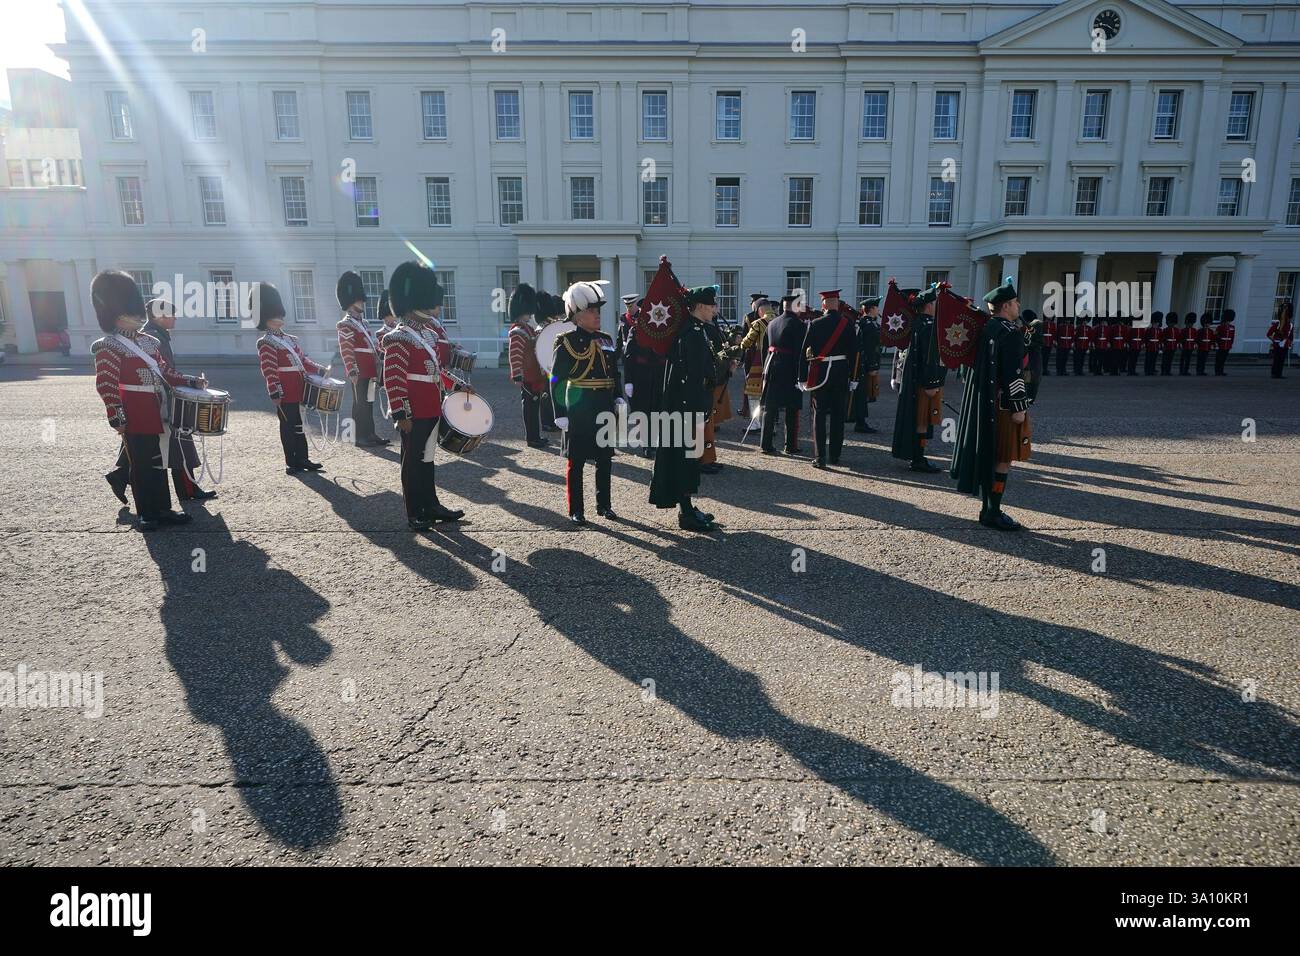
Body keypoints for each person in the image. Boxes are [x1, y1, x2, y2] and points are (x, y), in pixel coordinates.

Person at [90, 270, 202, 531]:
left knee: (160, 461)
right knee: (141, 465)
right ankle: (146, 513)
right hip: (134, 410)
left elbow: (165, 373)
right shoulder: (108, 346)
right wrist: (116, 415)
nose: (138, 318)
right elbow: (106, 384)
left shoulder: (149, 342)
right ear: (116, 317)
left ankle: (163, 508)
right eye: (132, 313)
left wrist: (191, 381)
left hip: (158, 409)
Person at [105, 296, 217, 504]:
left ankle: (122, 477)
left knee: (153, 451)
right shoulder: (148, 337)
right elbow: (161, 373)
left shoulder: (153, 337)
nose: (174, 318)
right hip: (157, 400)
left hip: (160, 398)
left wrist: (190, 381)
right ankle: (184, 490)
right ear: (160, 316)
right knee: (174, 446)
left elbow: (164, 369)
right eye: (171, 314)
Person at [383, 260, 464, 530]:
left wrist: (458, 386)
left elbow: (437, 371)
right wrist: (400, 413)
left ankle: (430, 504)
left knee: (427, 460)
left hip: (431, 407)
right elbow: (393, 379)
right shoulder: (399, 337)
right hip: (414, 410)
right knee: (412, 461)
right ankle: (414, 510)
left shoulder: (427, 335)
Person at [951, 278, 1031, 531]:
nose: (1019, 306)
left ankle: (988, 509)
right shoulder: (1010, 334)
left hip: (983, 402)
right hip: (1004, 406)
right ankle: (993, 511)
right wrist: (1019, 407)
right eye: (1016, 302)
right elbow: (1014, 373)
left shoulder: (986, 329)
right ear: (1006, 306)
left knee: (989, 456)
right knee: (1003, 459)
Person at [552, 280, 621, 524]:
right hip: (579, 406)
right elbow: (557, 379)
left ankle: (604, 505)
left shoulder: (607, 339)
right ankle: (576, 509)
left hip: (603, 404)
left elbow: (615, 372)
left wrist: (619, 395)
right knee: (577, 459)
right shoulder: (567, 342)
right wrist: (560, 412)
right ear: (578, 317)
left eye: (597, 311)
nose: (596, 315)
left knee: (604, 458)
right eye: (591, 311)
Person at [650, 285, 718, 532]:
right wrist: (697, 411)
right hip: (684, 408)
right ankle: (685, 512)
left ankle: (688, 507)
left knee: (689, 460)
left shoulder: (697, 330)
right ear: (699, 306)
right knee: (683, 459)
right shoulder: (689, 334)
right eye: (711, 305)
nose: (715, 309)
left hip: (690, 406)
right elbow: (690, 377)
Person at [254, 281, 326, 475]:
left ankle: (303, 458)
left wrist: (319, 370)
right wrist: (275, 390)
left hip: (298, 387)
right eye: (274, 315)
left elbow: (303, 361)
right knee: (287, 425)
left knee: (299, 424)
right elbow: (269, 369)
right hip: (285, 389)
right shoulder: (266, 342)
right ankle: (292, 462)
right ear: (266, 318)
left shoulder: (290, 339)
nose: (279, 318)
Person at [798, 289, 859, 468]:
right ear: (838, 304)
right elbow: (855, 353)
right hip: (841, 372)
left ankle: (820, 457)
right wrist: (854, 377)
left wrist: (802, 378)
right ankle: (835, 455)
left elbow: (803, 352)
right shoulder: (847, 324)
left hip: (821, 371)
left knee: (819, 415)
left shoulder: (815, 324)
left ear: (823, 304)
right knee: (838, 415)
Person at [890, 283, 946, 473]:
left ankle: (916, 455)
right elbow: (929, 359)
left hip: (912, 380)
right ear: (929, 305)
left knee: (917, 419)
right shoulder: (928, 327)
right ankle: (918, 458)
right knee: (922, 421)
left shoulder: (916, 323)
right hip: (923, 382)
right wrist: (932, 383)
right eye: (935, 302)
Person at [335, 271, 388, 447]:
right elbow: (346, 348)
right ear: (351, 302)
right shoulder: (345, 324)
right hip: (360, 370)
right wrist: (351, 369)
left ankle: (370, 433)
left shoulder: (363, 324)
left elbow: (373, 346)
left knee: (369, 403)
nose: (362, 301)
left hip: (371, 369)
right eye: (359, 299)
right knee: (360, 405)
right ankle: (359, 436)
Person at [758, 293, 805, 456]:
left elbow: (765, 350)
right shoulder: (798, 325)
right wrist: (802, 376)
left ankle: (766, 443)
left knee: (769, 408)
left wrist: (766, 368)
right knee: (792, 409)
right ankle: (790, 445)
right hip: (790, 370)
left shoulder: (772, 323)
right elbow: (800, 354)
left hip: (771, 367)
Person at [698, 289, 736, 474]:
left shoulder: (712, 325)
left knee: (709, 423)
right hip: (706, 381)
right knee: (705, 423)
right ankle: (704, 460)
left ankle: (708, 458)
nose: (716, 309)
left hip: (714, 378)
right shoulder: (703, 328)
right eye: (712, 305)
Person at [507, 283, 550, 448]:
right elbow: (515, 355)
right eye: (527, 312)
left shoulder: (528, 329)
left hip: (534, 374)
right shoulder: (518, 331)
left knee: (534, 407)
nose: (529, 315)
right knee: (530, 408)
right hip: (527, 375)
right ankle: (531, 438)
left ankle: (535, 436)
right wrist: (517, 375)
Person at [849, 296, 882, 433]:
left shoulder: (864, 322)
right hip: (863, 364)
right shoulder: (869, 325)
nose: (878, 310)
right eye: (876, 308)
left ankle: (860, 421)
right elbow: (870, 348)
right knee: (862, 394)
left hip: (861, 363)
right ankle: (860, 423)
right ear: (872, 309)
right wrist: (872, 366)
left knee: (861, 394)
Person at [738, 296, 774, 418]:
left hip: (760, 358)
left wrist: (740, 346)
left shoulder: (758, 323)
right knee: (771, 391)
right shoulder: (779, 320)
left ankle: (756, 422)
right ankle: (772, 422)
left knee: (754, 391)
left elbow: (746, 343)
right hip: (777, 358)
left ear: (760, 310)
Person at [1267, 301, 1293, 378]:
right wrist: (1274, 341)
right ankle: (1274, 373)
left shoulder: (1290, 325)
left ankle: (1279, 373)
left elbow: (1290, 336)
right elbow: (1269, 334)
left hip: (1285, 344)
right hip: (1278, 344)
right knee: (1276, 359)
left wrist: (1289, 343)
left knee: (1281, 360)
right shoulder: (1277, 325)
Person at [1023, 309, 1044, 402]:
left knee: (1033, 376)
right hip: (1031, 355)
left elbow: (1038, 341)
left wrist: (1027, 343)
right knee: (1029, 376)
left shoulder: (1036, 325)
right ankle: (1028, 396)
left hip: (1033, 355)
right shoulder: (1033, 325)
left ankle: (1030, 396)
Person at [1214, 308, 1235, 376]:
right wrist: (1218, 342)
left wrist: (1231, 344)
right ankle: (1217, 371)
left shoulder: (1232, 327)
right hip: (1221, 344)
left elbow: (1232, 337)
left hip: (1227, 345)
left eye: (1229, 321)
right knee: (1219, 359)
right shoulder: (1220, 327)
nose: (1228, 322)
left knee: (1223, 359)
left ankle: (1221, 371)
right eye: (1227, 321)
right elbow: (1216, 335)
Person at [1054, 312, 1074, 376]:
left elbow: (1072, 336)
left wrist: (1072, 343)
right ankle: (1059, 370)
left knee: (1065, 359)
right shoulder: (1060, 327)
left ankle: (1064, 370)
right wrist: (1056, 342)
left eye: (1069, 320)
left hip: (1067, 345)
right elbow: (1057, 335)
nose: (1068, 321)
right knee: (1060, 358)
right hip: (1061, 344)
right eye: (1067, 320)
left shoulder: (1071, 327)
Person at [1160, 311, 1180, 376]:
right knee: (1165, 360)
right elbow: (1163, 338)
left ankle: (1168, 371)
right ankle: (1163, 371)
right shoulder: (1166, 330)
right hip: (1167, 346)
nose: (1172, 324)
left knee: (1170, 360)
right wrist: (1163, 345)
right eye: (1171, 322)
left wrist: (1177, 344)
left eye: (1173, 323)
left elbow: (1177, 338)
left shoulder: (1176, 330)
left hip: (1173, 346)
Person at [1196, 312, 1214, 376]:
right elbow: (1197, 339)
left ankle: (1202, 371)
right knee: (1200, 360)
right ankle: (1198, 371)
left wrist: (1212, 345)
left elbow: (1212, 339)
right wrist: (1198, 344)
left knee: (1204, 360)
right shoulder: (1200, 331)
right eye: (1206, 323)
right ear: (1203, 323)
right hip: (1201, 347)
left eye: (1208, 323)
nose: (1207, 325)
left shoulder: (1211, 331)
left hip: (1207, 347)